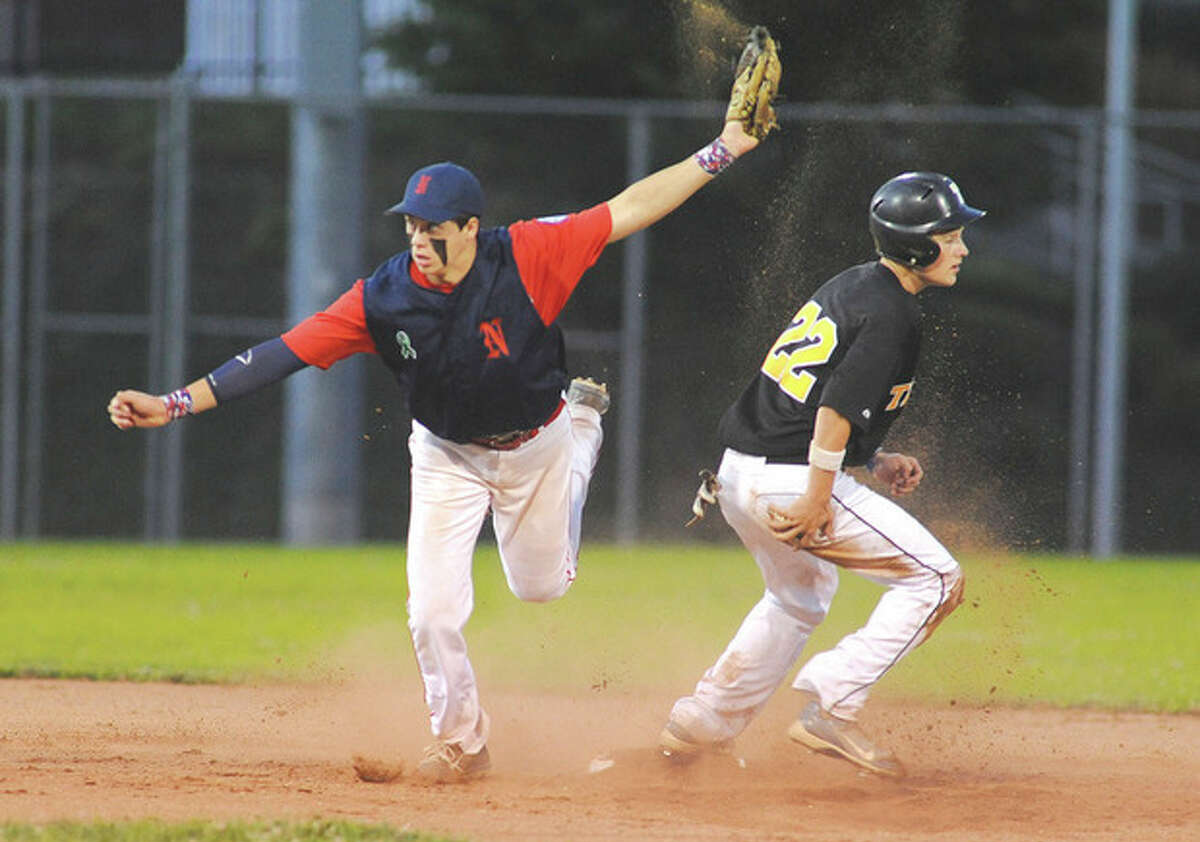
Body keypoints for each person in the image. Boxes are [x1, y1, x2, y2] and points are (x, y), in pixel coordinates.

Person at [108, 117, 762, 782]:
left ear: (470, 228)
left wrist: (724, 148)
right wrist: (174, 402)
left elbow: (630, 208)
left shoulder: (531, 254)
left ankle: (584, 428)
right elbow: (282, 354)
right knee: (431, 610)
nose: (420, 240)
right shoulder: (383, 299)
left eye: (435, 228)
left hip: (538, 447)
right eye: (412, 226)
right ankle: (461, 743)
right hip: (446, 455)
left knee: (539, 589)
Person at [659, 171, 986, 778]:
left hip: (737, 476)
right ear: (917, 245)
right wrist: (817, 498)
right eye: (950, 234)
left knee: (798, 595)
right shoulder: (893, 313)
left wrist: (874, 459)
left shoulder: (854, 285)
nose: (962, 247)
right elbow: (833, 411)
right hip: (791, 481)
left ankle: (701, 722)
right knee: (936, 579)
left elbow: (808, 397)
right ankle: (832, 705)